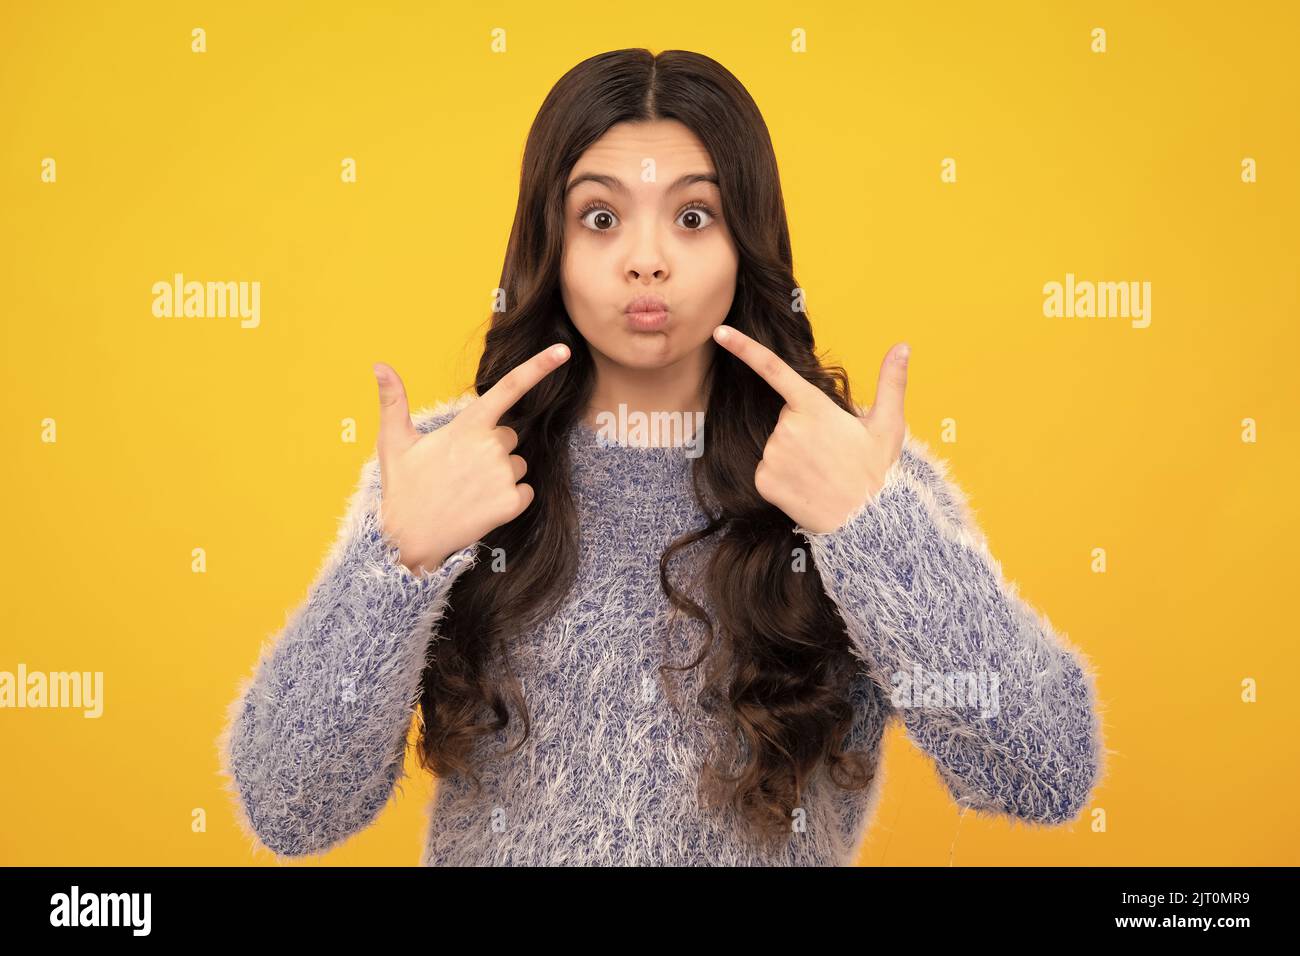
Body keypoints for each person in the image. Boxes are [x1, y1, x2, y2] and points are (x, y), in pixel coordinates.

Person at [216, 48, 1106, 866]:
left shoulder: (851, 475)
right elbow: (292, 809)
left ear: (744, 239)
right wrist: (394, 559)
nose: (646, 261)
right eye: (600, 217)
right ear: (551, 244)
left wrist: (872, 532)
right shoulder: (451, 474)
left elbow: (1043, 771)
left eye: (692, 215)